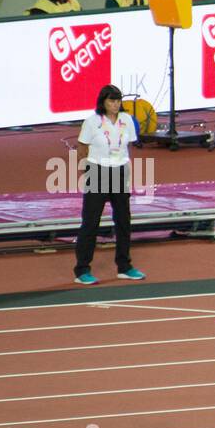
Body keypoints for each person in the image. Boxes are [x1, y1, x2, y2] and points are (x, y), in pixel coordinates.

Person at [73, 85, 145, 286]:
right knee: (90, 222)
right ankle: (82, 269)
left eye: (118, 100)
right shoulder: (91, 122)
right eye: (111, 101)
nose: (115, 104)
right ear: (103, 102)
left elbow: (128, 145)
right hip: (97, 171)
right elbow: (82, 146)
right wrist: (85, 169)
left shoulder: (127, 120)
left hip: (120, 171)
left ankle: (124, 266)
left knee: (123, 220)